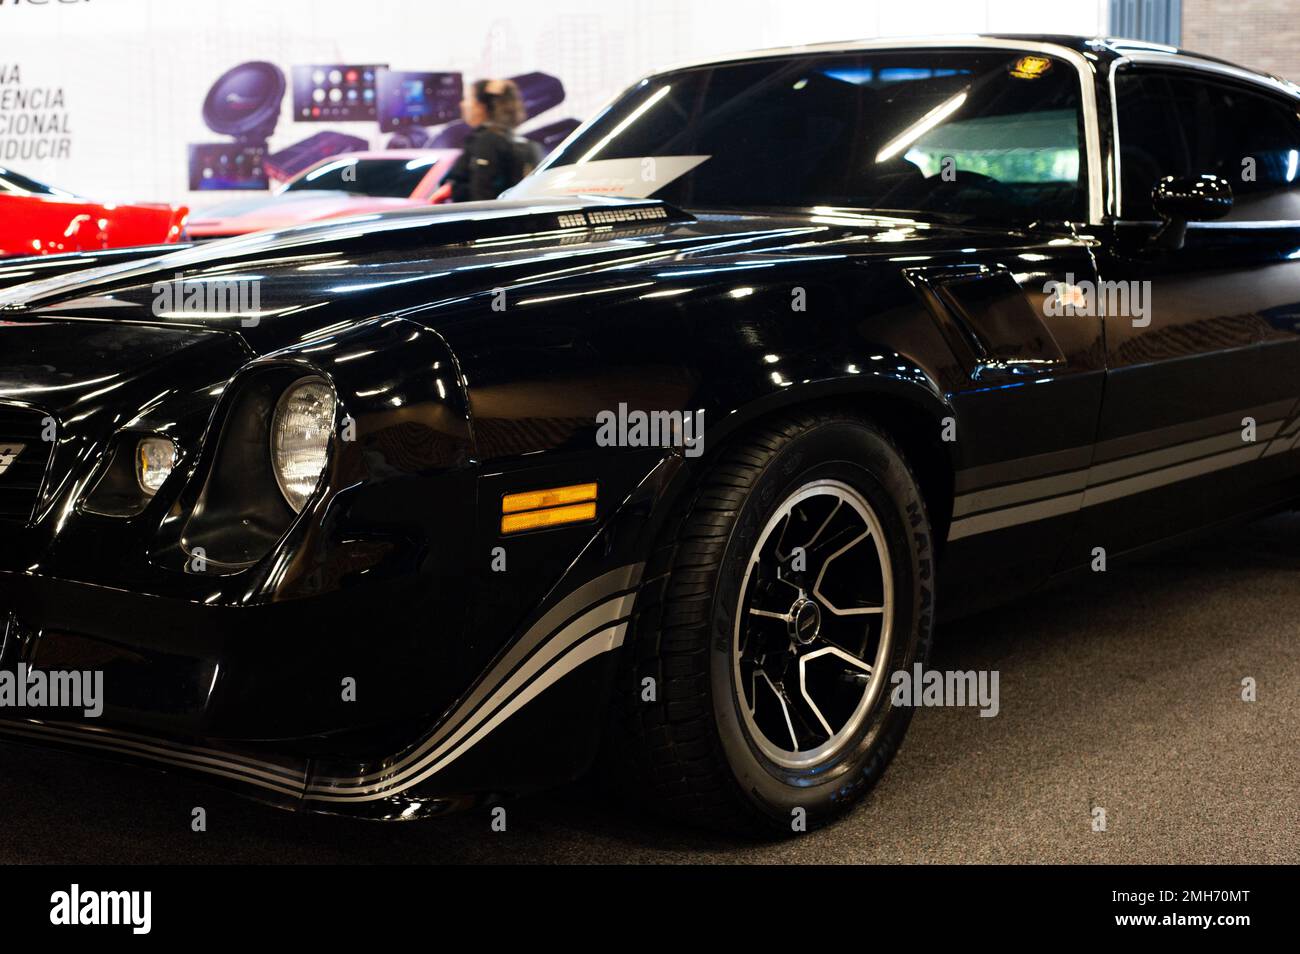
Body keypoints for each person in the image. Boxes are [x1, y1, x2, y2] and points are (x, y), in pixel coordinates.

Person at [446, 79, 542, 201]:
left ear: (481, 106)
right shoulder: (512, 140)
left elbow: (481, 193)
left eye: (468, 98)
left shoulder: (487, 141)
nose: (462, 104)